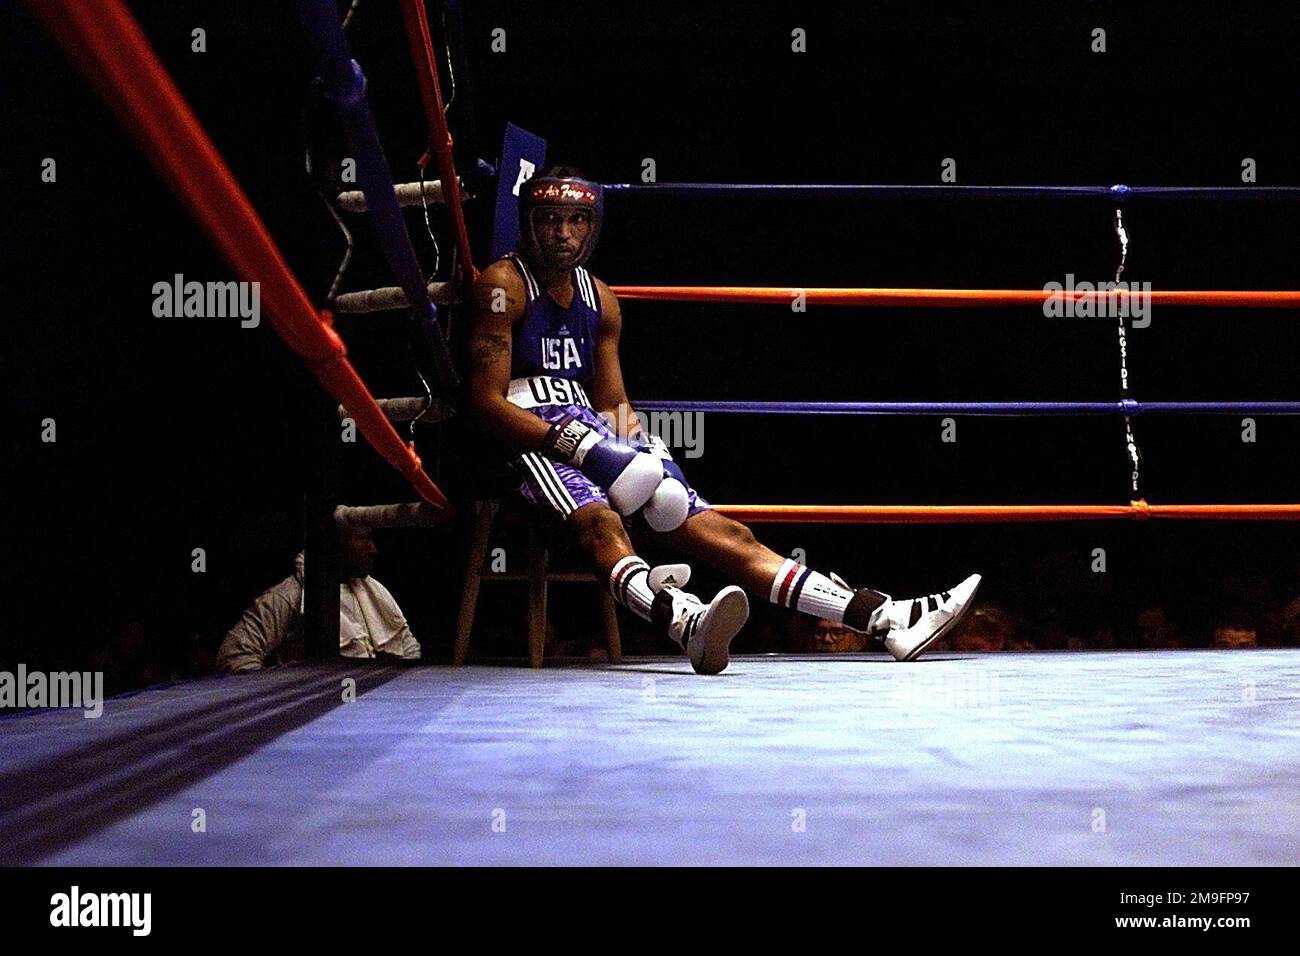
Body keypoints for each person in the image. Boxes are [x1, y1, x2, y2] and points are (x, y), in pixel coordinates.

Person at [467, 166, 980, 674]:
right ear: (529, 222)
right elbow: (486, 401)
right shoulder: (504, 284)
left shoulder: (601, 298)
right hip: (528, 433)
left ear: (593, 224)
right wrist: (575, 445)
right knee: (600, 521)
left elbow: (613, 402)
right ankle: (685, 621)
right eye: (550, 218)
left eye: (577, 219)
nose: (563, 232)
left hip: (593, 427)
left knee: (721, 530)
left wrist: (648, 449)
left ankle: (884, 618)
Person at [217, 527, 420, 672]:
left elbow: (409, 648)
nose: (373, 549)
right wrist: (287, 695)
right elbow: (233, 655)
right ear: (334, 543)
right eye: (363, 538)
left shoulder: (376, 592)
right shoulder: (289, 595)